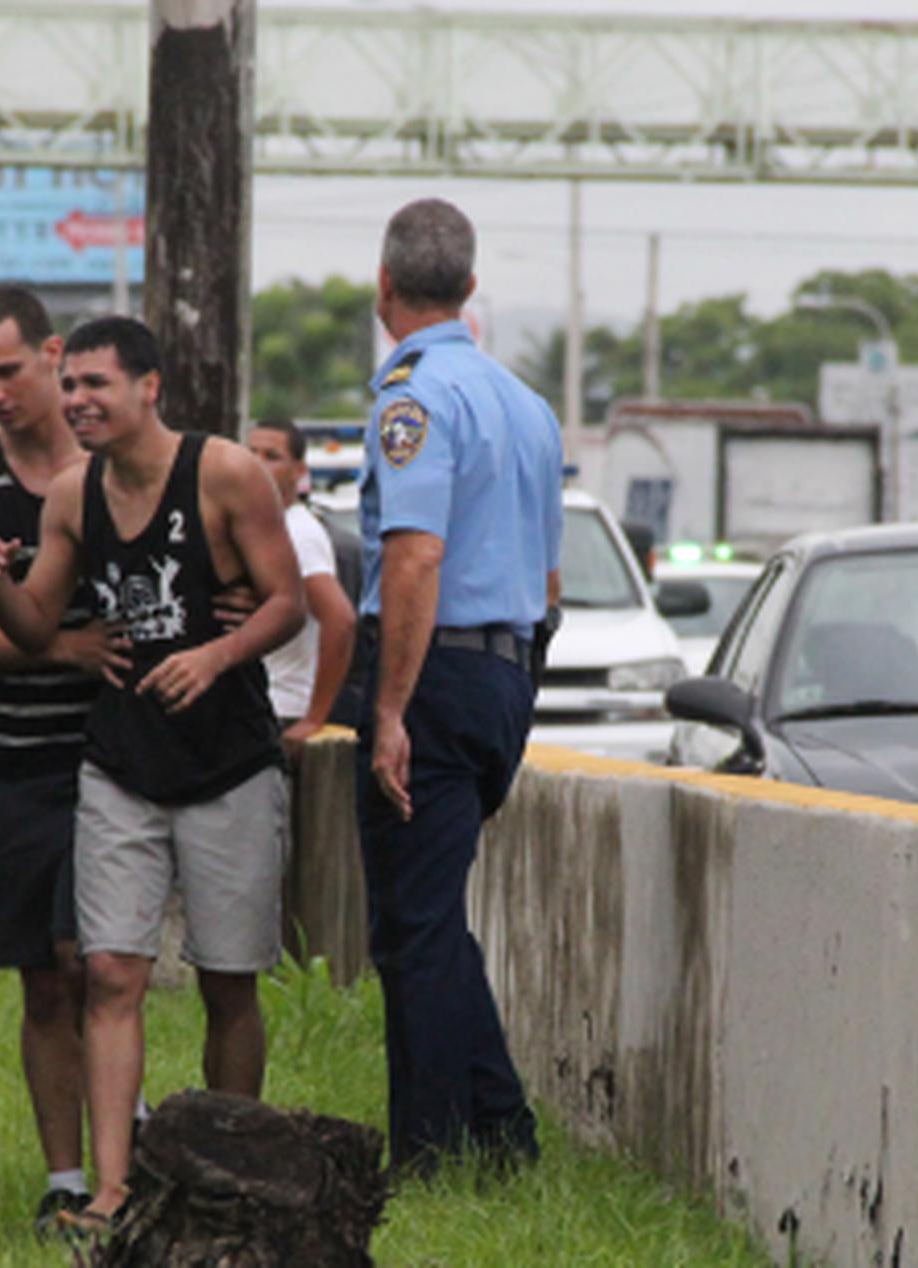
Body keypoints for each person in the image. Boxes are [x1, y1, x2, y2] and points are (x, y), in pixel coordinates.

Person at [0, 315, 302, 1235]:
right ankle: (112, 1192)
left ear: (149, 387)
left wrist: (219, 654)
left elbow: (291, 600)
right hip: (118, 762)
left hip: (227, 761)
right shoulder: (73, 494)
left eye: (94, 386)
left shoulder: (227, 472)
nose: (76, 403)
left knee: (228, 978)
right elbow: (35, 628)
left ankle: (233, 1179)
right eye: (68, 386)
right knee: (111, 972)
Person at [353, 198, 564, 1175]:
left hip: (430, 674)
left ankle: (429, 1155)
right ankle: (502, 1134)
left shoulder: (413, 397)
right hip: (506, 673)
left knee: (412, 927)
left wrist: (389, 708)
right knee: (431, 914)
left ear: (385, 287)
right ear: (471, 288)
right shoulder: (527, 405)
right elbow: (550, 583)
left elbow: (413, 560)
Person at [0, 285, 120, 1233]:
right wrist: (64, 649)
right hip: (11, 758)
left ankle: (125, 1153)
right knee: (44, 979)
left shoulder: (119, 459)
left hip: (117, 759)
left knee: (101, 966)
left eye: (8, 370)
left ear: (51, 354)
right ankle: (65, 1178)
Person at [243, 417, 357, 757]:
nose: (259, 465)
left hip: (282, 708)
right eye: (252, 454)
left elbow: (340, 620)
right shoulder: (261, 526)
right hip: (255, 703)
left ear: (298, 471)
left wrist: (314, 716)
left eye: (272, 456)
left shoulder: (298, 534)